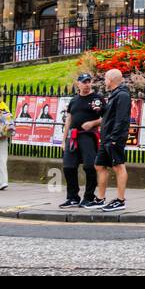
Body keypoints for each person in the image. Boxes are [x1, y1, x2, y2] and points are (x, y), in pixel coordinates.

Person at [92, 68, 131, 212]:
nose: (104, 81)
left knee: (118, 167)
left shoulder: (122, 95)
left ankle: (120, 200)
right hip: (106, 137)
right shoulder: (114, 95)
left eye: (105, 79)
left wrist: (115, 138)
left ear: (111, 80)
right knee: (99, 165)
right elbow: (110, 115)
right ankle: (101, 199)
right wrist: (100, 109)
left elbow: (122, 119)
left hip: (114, 138)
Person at [65, 73, 104, 208]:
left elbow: (105, 118)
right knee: (68, 167)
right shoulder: (74, 100)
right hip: (73, 136)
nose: (87, 84)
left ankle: (89, 197)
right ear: (78, 84)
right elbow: (69, 120)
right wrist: (64, 139)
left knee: (89, 167)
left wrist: (93, 123)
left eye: (89, 81)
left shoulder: (97, 99)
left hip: (88, 136)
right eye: (84, 82)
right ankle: (73, 197)